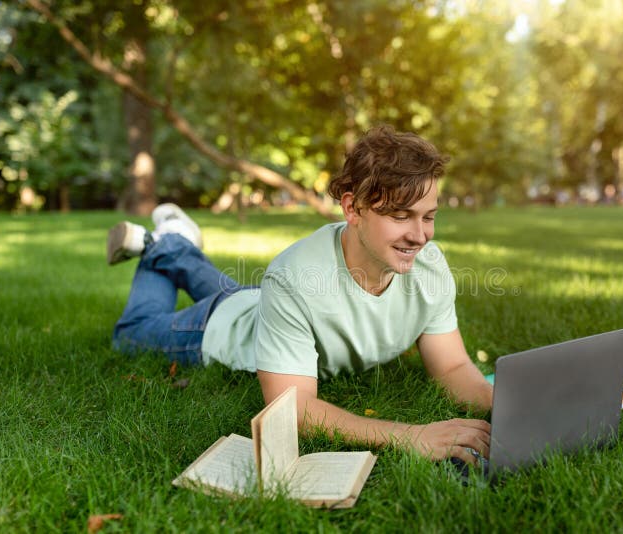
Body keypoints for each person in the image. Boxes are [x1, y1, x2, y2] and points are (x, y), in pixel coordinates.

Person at [108, 125, 492, 465]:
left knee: (247, 295)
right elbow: (294, 410)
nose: (420, 235)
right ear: (352, 208)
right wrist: (412, 436)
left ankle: (174, 242)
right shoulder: (293, 278)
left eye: (428, 216)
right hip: (218, 330)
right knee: (130, 333)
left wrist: (506, 405)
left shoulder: (430, 266)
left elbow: (453, 368)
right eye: (400, 216)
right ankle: (160, 245)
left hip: (262, 303)